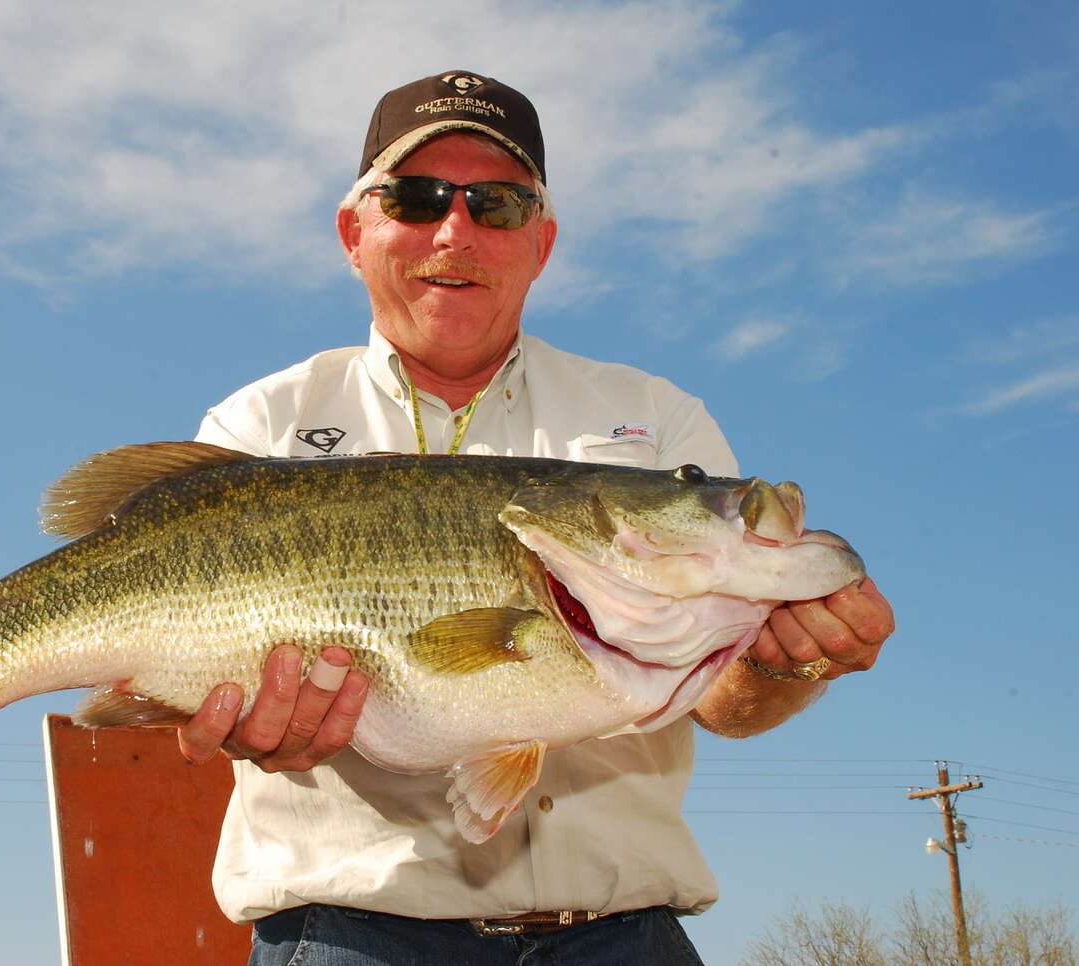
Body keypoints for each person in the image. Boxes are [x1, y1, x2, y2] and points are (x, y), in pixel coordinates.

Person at [175, 70, 894, 965]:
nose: (455, 231)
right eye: (416, 198)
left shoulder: (657, 417)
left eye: (498, 205)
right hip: (348, 938)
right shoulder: (259, 427)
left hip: (625, 938)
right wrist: (237, 718)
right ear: (354, 233)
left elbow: (724, 704)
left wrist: (792, 663)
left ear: (542, 242)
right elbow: (188, 674)